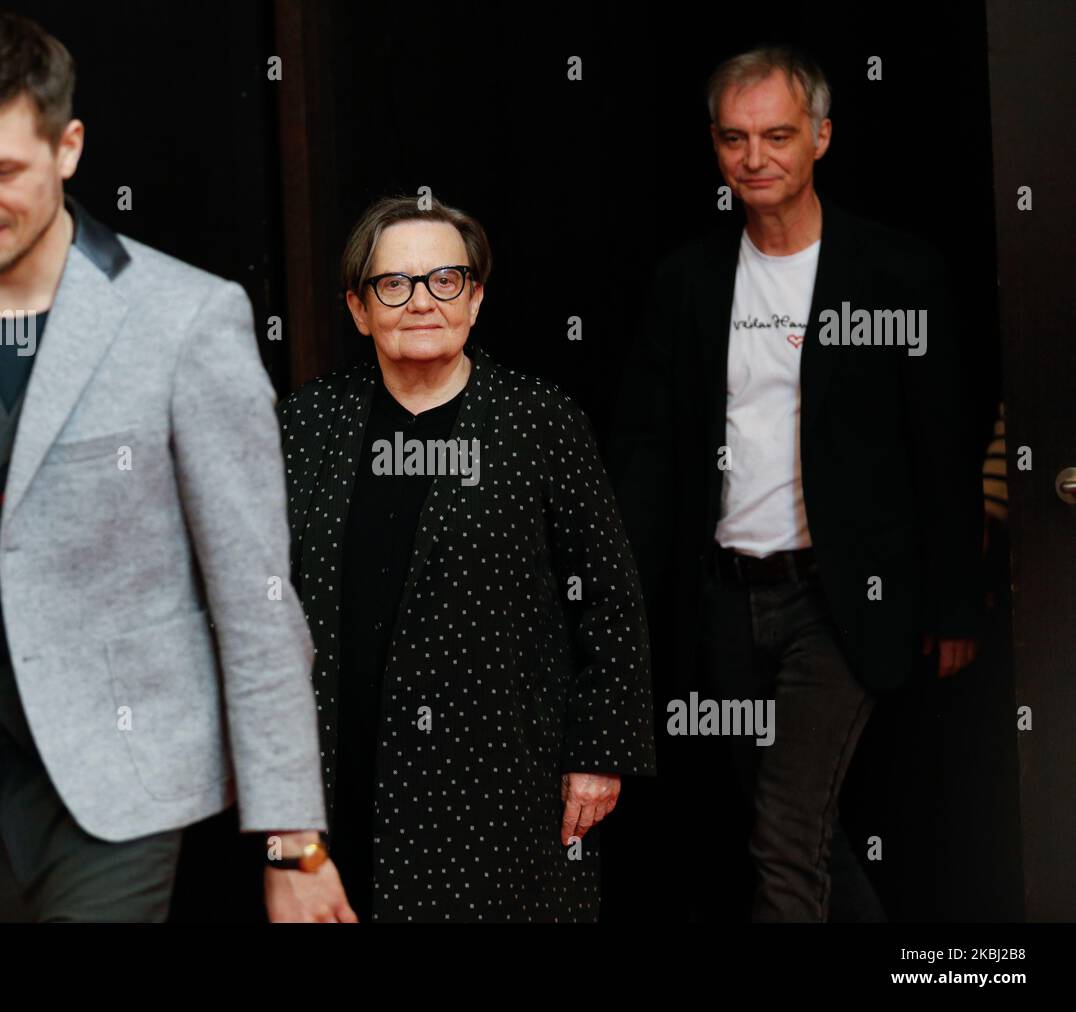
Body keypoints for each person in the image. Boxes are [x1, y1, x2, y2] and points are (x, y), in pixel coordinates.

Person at [0, 10, 352, 923]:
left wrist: (294, 841)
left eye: (2, 171)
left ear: (68, 148)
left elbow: (254, 599)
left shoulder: (186, 318)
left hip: (127, 787)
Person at [610, 46, 981, 921]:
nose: (756, 157)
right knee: (794, 831)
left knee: (783, 837)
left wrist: (954, 603)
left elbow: (941, 444)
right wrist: (622, 597)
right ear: (714, 145)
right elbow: (650, 451)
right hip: (725, 600)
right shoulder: (689, 281)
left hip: (841, 599)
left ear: (820, 136)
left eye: (777, 134)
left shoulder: (895, 272)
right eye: (735, 139)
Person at [277, 195, 655, 922]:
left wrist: (599, 753)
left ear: (475, 298)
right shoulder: (306, 426)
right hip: (343, 775)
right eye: (395, 285)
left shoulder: (541, 422)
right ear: (359, 308)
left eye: (445, 280)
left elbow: (609, 597)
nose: (422, 302)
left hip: (507, 777)